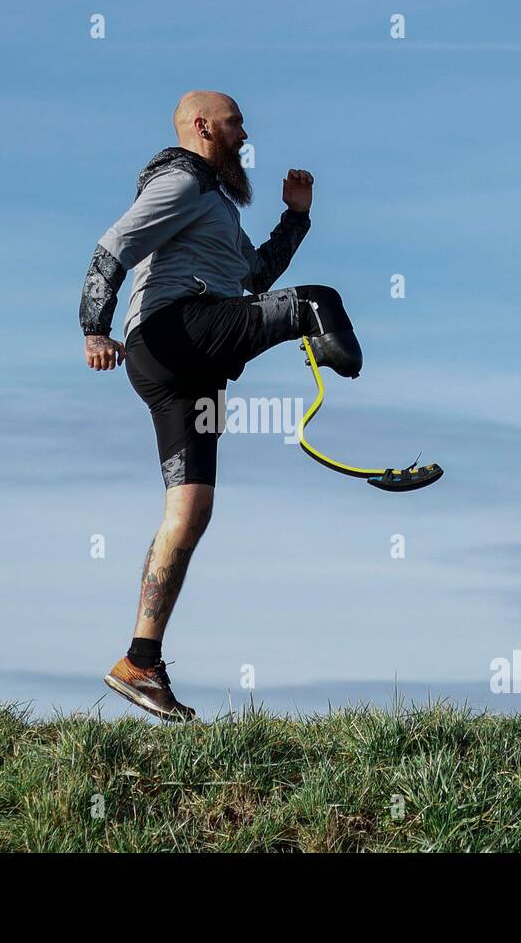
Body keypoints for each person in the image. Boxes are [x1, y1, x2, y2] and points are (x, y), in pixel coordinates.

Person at [79, 90, 362, 721]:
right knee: (315, 302)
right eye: (235, 123)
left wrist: (296, 218)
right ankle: (326, 330)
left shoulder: (215, 206)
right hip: (173, 331)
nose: (245, 133)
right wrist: (94, 329)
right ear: (204, 127)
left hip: (186, 366)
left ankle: (140, 662)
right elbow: (112, 248)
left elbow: (255, 278)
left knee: (191, 508)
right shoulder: (181, 182)